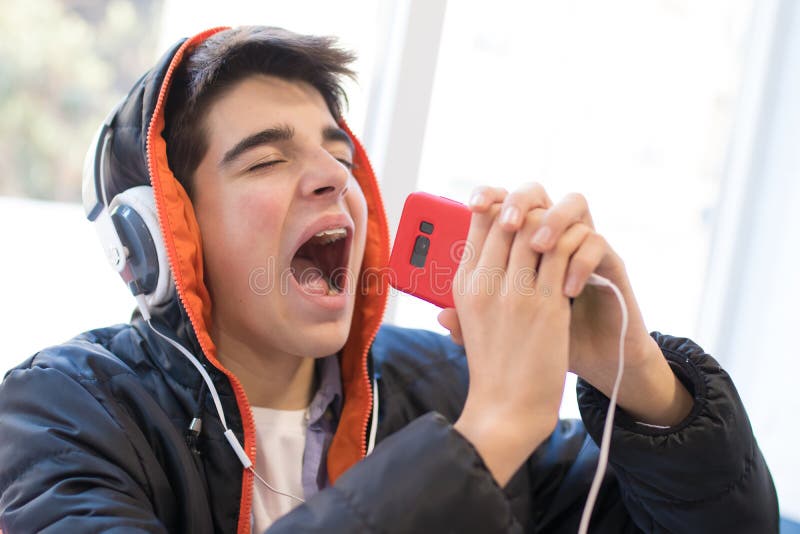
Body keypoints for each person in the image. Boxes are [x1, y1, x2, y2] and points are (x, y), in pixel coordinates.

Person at [0, 25, 778, 533]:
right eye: (268, 159)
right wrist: (487, 435)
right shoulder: (58, 416)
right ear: (161, 238)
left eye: (340, 157)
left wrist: (638, 376)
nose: (331, 180)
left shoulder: (439, 381)